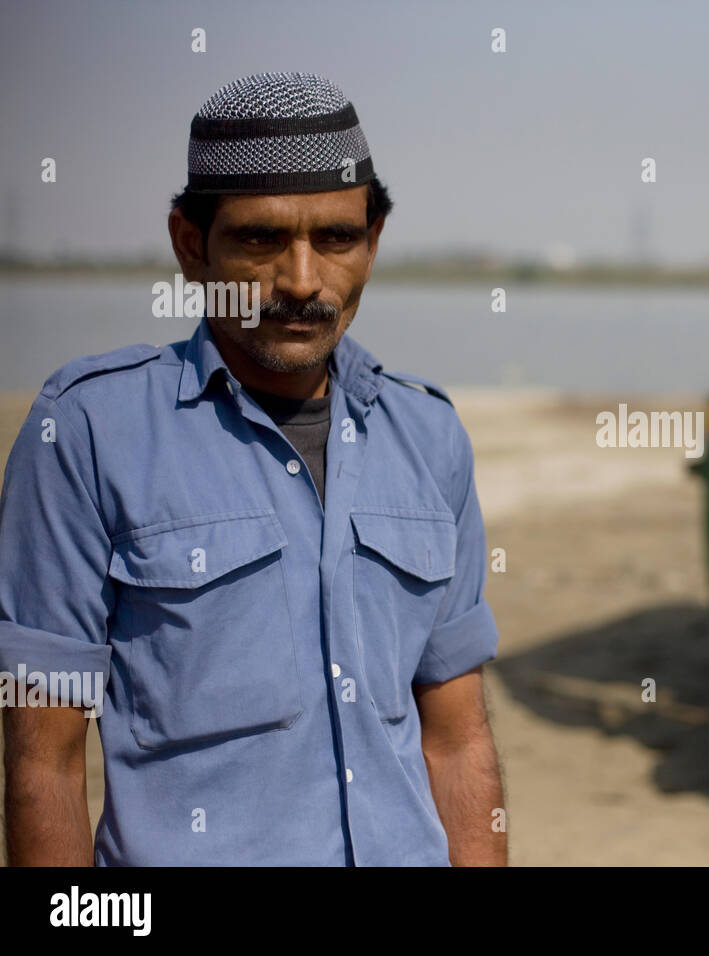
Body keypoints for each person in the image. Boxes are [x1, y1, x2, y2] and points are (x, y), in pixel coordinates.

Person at [0, 72, 505, 866]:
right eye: (262, 239)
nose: (302, 280)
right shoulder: (87, 432)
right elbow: (45, 762)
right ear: (191, 245)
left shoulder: (429, 435)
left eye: (336, 238)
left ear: (373, 241)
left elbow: (457, 739)